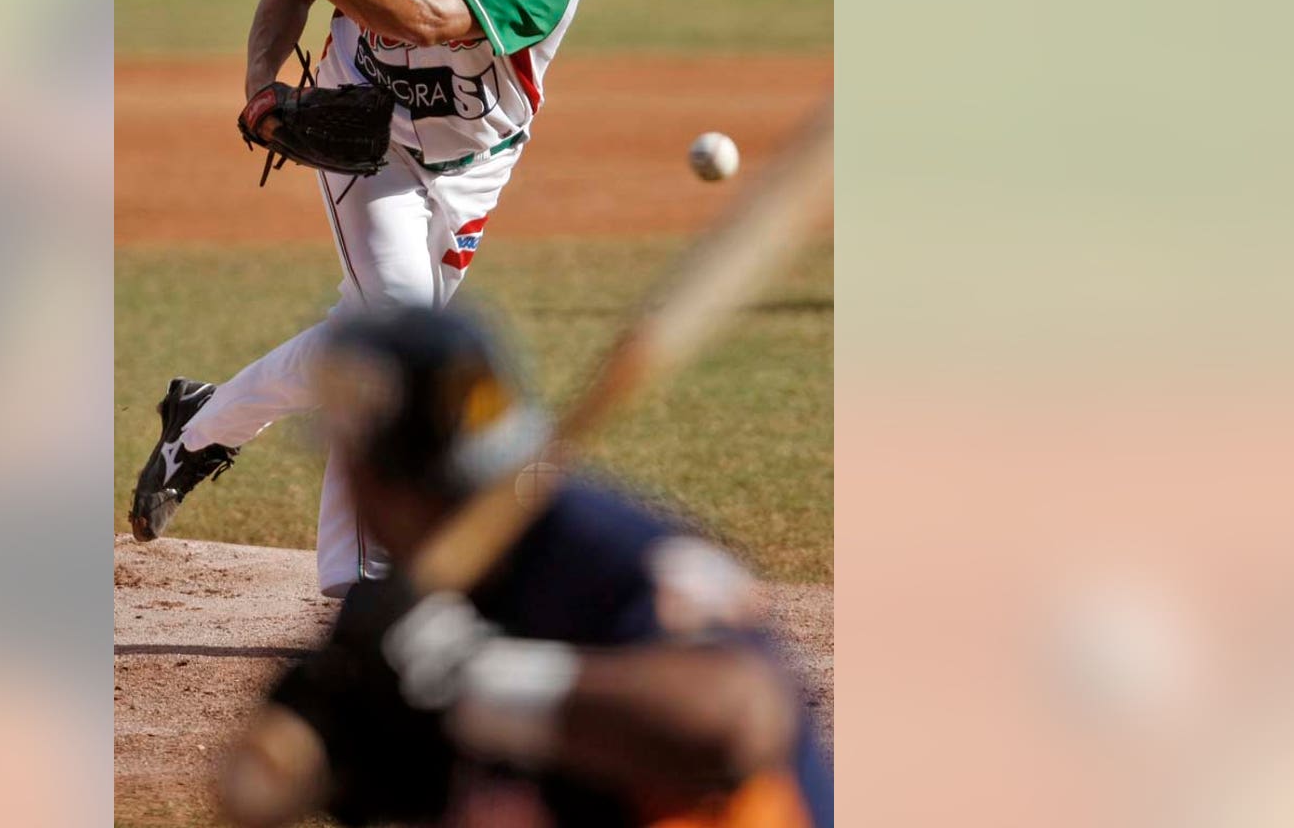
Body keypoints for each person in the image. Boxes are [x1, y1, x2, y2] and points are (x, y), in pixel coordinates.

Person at [130, 0, 589, 599]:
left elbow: (434, 18)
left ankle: (199, 426)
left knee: (372, 339)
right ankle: (362, 582)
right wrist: (260, 83)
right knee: (400, 336)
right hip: (366, 150)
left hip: (474, 170)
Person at [218, 306, 834, 828]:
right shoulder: (402, 613)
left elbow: (736, 718)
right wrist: (319, 741)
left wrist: (470, 681)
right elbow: (255, 793)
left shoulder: (602, 550)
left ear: (373, 472)